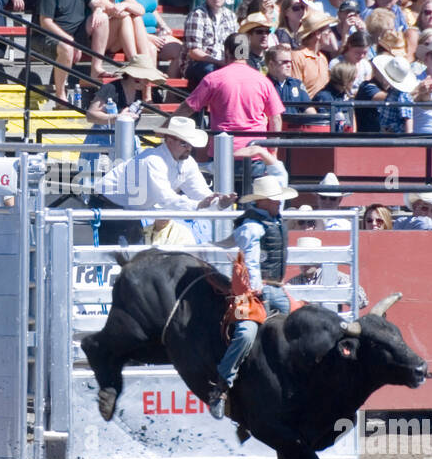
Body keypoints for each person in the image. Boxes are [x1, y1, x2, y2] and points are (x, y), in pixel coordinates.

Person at [209, 171, 298, 418]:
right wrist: (255, 289)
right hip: (251, 291)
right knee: (246, 334)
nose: (278, 202)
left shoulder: (272, 221)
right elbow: (251, 259)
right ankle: (221, 385)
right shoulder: (251, 226)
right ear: (262, 201)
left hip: (276, 288)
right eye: (274, 198)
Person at [94, 115, 235, 244]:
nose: (189, 148)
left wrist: (219, 204)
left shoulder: (187, 163)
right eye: (184, 143)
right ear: (168, 139)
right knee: (115, 256)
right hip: (108, 205)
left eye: (190, 144)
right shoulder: (153, 160)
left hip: (129, 209)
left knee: (131, 253)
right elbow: (166, 198)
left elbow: (202, 193)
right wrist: (199, 205)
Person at [175, 31, 284, 149]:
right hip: (255, 152)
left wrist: (165, 128)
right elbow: (276, 118)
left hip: (223, 152)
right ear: (246, 53)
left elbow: (187, 108)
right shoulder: (263, 81)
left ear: (226, 52)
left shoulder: (213, 79)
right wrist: (272, 151)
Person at [36, 0, 104, 102]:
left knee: (103, 19)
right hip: (46, 37)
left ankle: (96, 69)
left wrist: (98, 10)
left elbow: (96, 2)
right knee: (66, 47)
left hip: (75, 34)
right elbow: (45, 22)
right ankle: (61, 96)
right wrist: (70, 40)